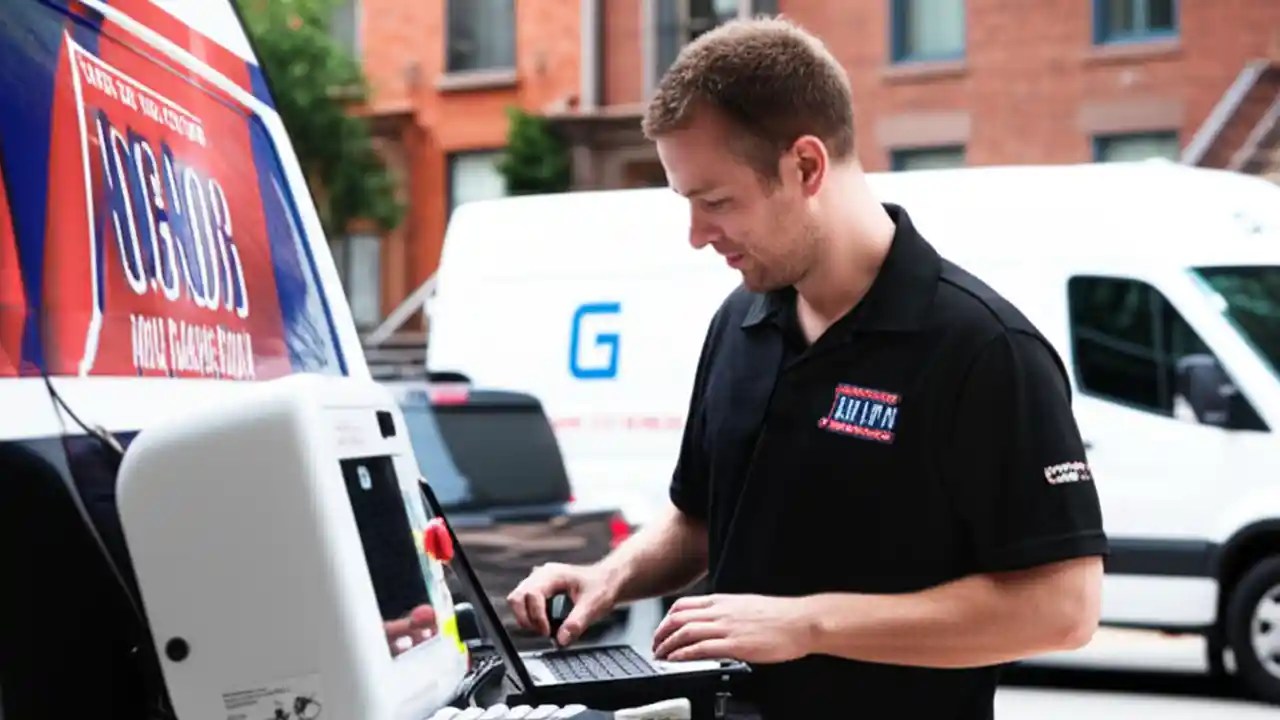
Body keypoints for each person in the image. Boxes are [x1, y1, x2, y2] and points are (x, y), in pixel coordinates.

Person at [506, 16, 1107, 719]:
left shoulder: (984, 349)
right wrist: (608, 577)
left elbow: (1062, 608)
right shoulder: (740, 321)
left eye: (717, 201)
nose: (697, 236)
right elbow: (702, 521)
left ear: (807, 166)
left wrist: (806, 623)